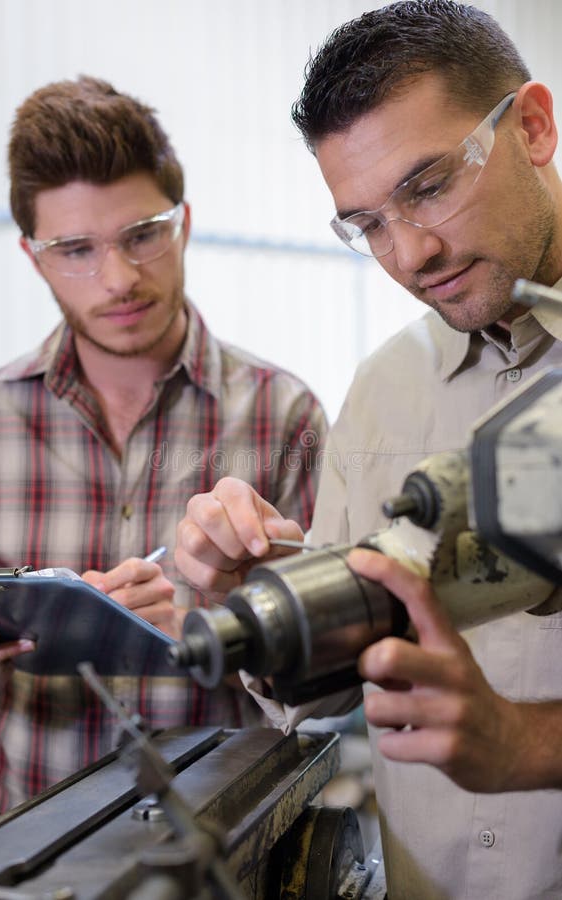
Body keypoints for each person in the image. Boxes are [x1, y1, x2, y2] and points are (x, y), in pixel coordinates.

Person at [174, 2, 562, 898]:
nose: (410, 255)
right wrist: (262, 605)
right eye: (366, 224)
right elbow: (332, 684)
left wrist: (526, 744)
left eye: (427, 187)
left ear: (532, 127)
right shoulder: (383, 391)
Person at [0, 75, 327, 831]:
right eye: (75, 250)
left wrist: (247, 614)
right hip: (18, 840)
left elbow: (334, 687)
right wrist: (6, 627)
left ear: (184, 223)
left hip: (222, 841)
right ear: (33, 258)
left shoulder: (284, 415)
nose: (119, 278)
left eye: (142, 235)